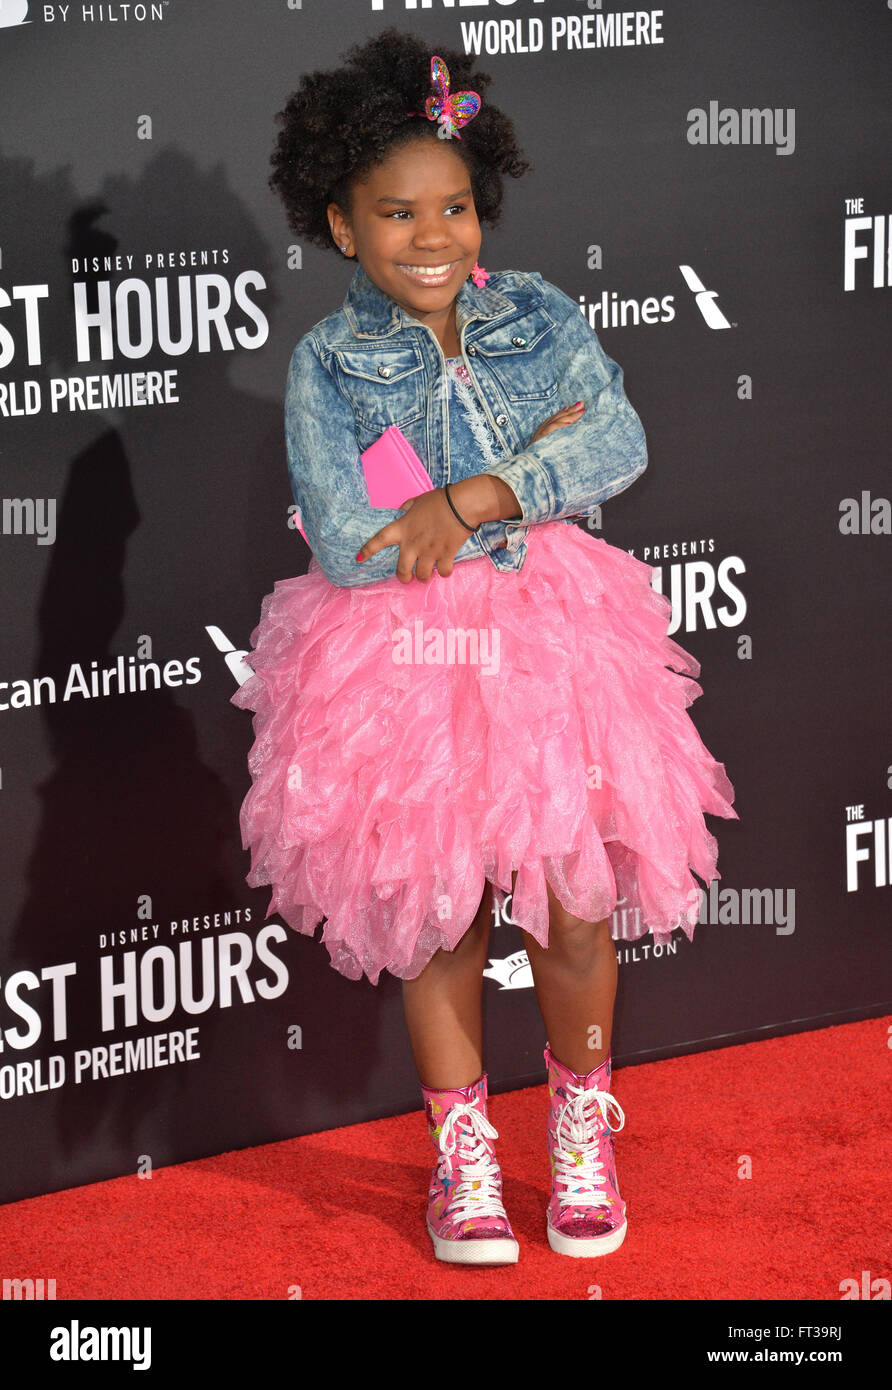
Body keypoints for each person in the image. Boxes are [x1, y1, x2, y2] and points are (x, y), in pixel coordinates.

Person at [232, 27, 737, 1266]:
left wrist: (471, 497)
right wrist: (517, 481)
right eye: (396, 214)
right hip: (399, 668)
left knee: (571, 904)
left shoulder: (541, 314)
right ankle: (460, 1157)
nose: (433, 239)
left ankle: (580, 1126)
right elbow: (351, 541)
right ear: (342, 226)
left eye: (454, 207)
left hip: (555, 639)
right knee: (438, 912)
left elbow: (614, 442)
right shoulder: (328, 367)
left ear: (483, 207)